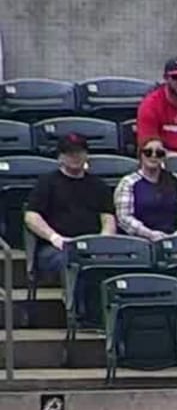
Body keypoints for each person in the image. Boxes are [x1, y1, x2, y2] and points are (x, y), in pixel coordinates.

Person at [22, 132, 115, 313]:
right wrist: (54, 237)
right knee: (72, 260)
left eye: (79, 152)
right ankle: (77, 312)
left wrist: (104, 241)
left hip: (92, 247)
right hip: (55, 248)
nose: (75, 157)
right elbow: (31, 216)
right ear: (60, 157)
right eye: (69, 153)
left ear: (86, 155)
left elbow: (108, 217)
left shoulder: (98, 185)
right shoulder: (47, 182)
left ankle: (100, 314)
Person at [113, 137, 177, 241]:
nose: (153, 156)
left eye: (159, 153)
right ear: (140, 154)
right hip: (141, 240)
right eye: (148, 152)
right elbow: (124, 217)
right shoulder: (128, 182)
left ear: (164, 156)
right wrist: (150, 234)